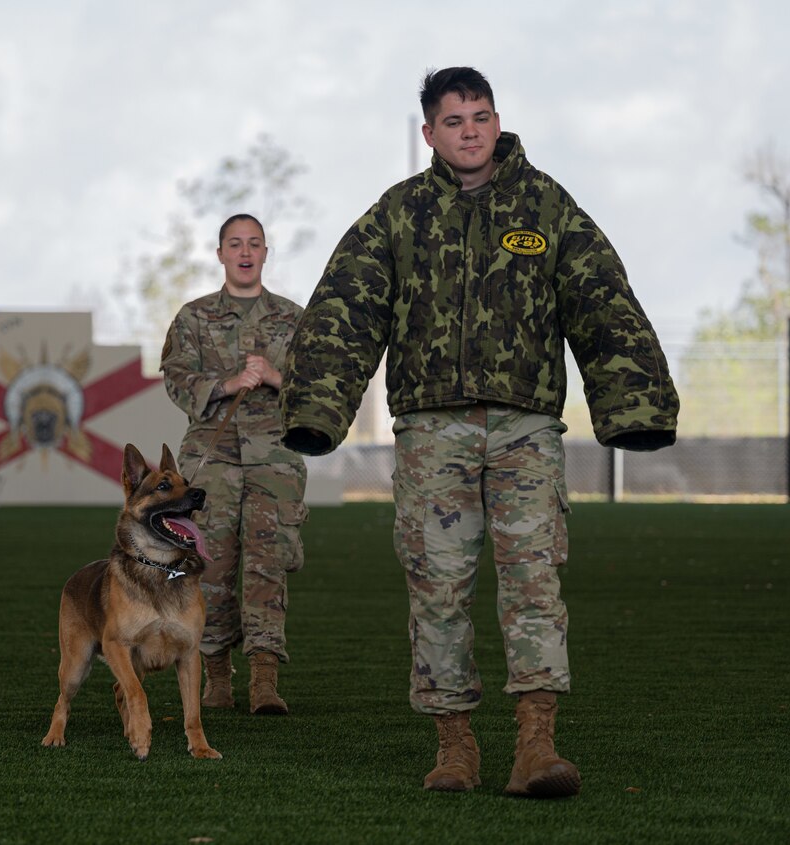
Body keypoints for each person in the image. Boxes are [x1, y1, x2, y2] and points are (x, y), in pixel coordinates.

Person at [279, 68, 679, 796]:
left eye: (482, 116)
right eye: (454, 120)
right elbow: (345, 308)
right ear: (429, 133)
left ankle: (536, 744)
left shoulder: (546, 205)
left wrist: (637, 405)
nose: (470, 130)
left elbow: (602, 297)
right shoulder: (398, 216)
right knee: (438, 584)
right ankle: (455, 745)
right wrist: (316, 409)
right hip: (432, 431)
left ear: (498, 123)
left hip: (526, 427)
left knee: (534, 580)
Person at [160, 213, 308, 715]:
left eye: (255, 244)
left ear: (267, 253)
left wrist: (273, 376)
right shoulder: (193, 317)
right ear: (220, 253)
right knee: (211, 564)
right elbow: (176, 378)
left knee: (269, 566)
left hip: (275, 460)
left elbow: (318, 388)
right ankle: (216, 678)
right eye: (235, 244)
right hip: (213, 460)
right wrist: (223, 385)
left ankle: (264, 680)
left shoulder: (293, 319)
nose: (245, 253)